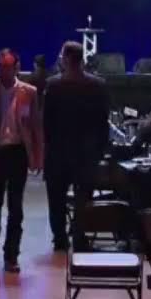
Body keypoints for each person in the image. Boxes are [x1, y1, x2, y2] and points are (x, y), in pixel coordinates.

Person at [0, 49, 44, 274]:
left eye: (6, 67)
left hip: (18, 152)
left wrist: (38, 156)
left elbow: (36, 126)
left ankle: (12, 254)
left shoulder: (29, 92)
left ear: (16, 68)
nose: (1, 71)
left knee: (16, 206)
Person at [43, 41, 110, 251]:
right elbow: (103, 122)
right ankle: (80, 236)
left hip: (58, 154)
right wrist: (99, 150)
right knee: (84, 199)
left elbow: (46, 122)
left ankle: (60, 238)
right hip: (87, 155)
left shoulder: (53, 85)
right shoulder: (98, 85)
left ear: (65, 58)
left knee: (56, 200)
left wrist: (46, 149)